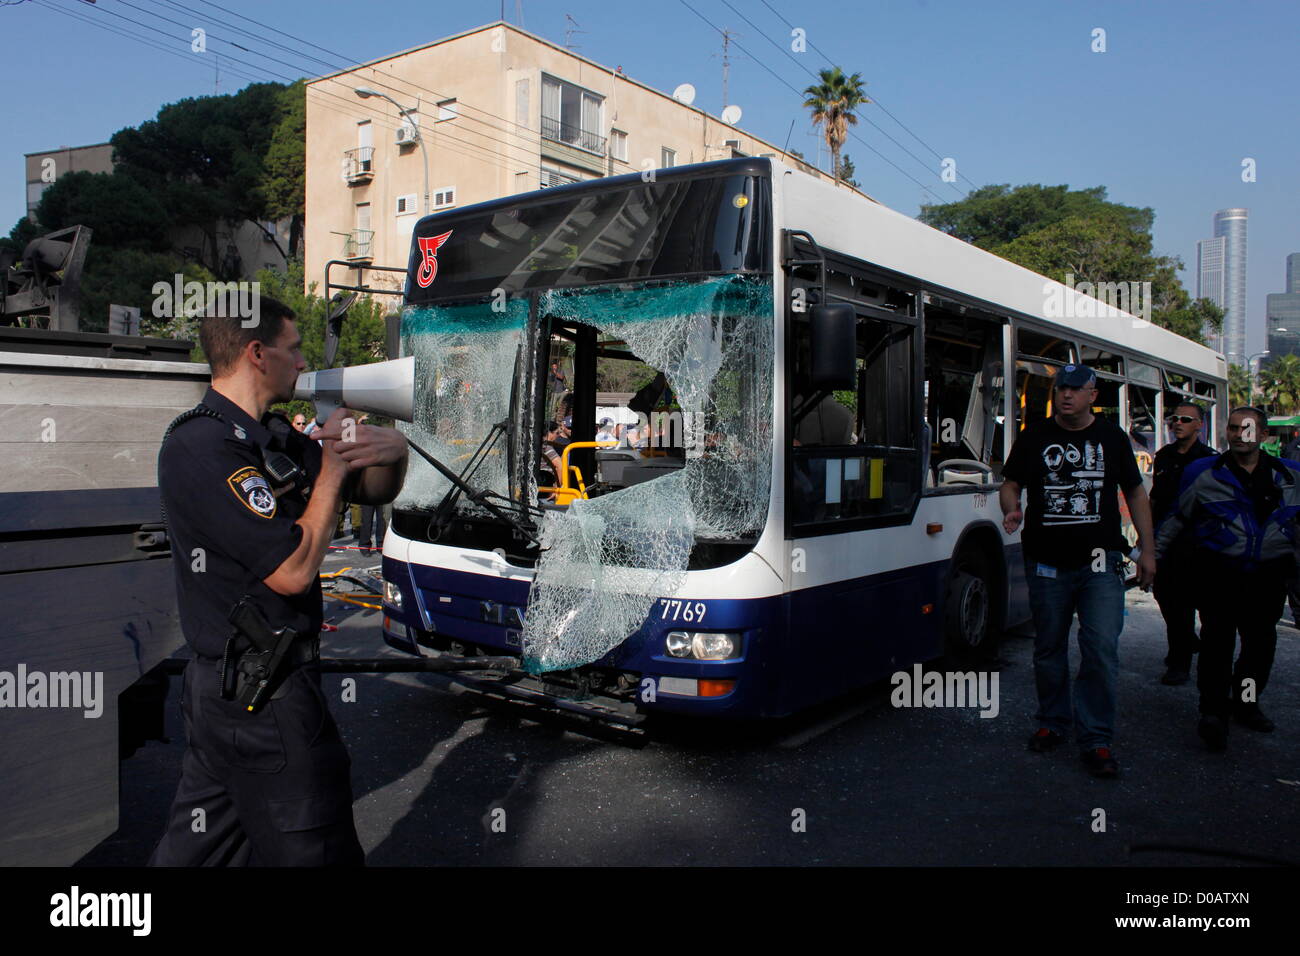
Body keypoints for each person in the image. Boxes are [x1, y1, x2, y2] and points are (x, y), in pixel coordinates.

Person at [150, 295, 408, 866]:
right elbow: (292, 571)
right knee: (315, 845)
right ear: (257, 353)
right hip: (262, 695)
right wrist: (335, 470)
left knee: (206, 848)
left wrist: (392, 450)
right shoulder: (203, 445)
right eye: (293, 350)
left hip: (241, 693)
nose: (301, 363)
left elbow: (372, 491)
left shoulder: (264, 438)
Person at [1000, 364, 1155, 778]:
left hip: (1101, 564)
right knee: (1049, 648)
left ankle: (1097, 739)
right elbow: (1010, 483)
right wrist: (1011, 507)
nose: (1065, 395)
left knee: (1100, 649)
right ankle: (1053, 722)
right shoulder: (1034, 436)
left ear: (1092, 394)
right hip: (1047, 563)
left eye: (1074, 388)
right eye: (1060, 388)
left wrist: (1148, 551)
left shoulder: (1111, 438)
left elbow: (1136, 493)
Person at [1155, 406, 1300, 751]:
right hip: (1219, 573)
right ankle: (1214, 713)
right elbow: (1177, 518)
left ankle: (1246, 704)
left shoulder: (1290, 476)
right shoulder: (1204, 472)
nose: (1239, 435)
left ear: (1264, 435)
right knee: (1216, 645)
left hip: (1267, 575)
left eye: (1247, 429)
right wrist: (1153, 557)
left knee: (1258, 648)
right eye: (1233, 428)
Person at [1149, 402, 1217, 685]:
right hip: (1166, 539)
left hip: (1198, 542)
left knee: (1197, 603)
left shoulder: (1211, 459)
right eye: (1174, 419)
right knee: (1166, 597)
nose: (1178, 423)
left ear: (1199, 425)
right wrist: (1147, 532)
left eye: (1186, 419)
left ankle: (1185, 663)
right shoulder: (1163, 456)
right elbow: (1154, 498)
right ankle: (1184, 645)